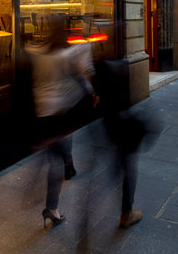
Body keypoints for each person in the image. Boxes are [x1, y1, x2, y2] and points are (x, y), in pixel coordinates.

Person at [27, 14, 95, 228]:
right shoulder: (66, 54)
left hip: (42, 111)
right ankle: (52, 208)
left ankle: (67, 164)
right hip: (61, 112)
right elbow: (82, 77)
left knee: (54, 150)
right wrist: (92, 93)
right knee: (57, 156)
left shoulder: (37, 52)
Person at [95, 58, 147, 228]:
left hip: (109, 125)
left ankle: (125, 210)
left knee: (122, 166)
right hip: (117, 125)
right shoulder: (114, 68)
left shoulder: (102, 65)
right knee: (127, 169)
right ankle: (127, 213)